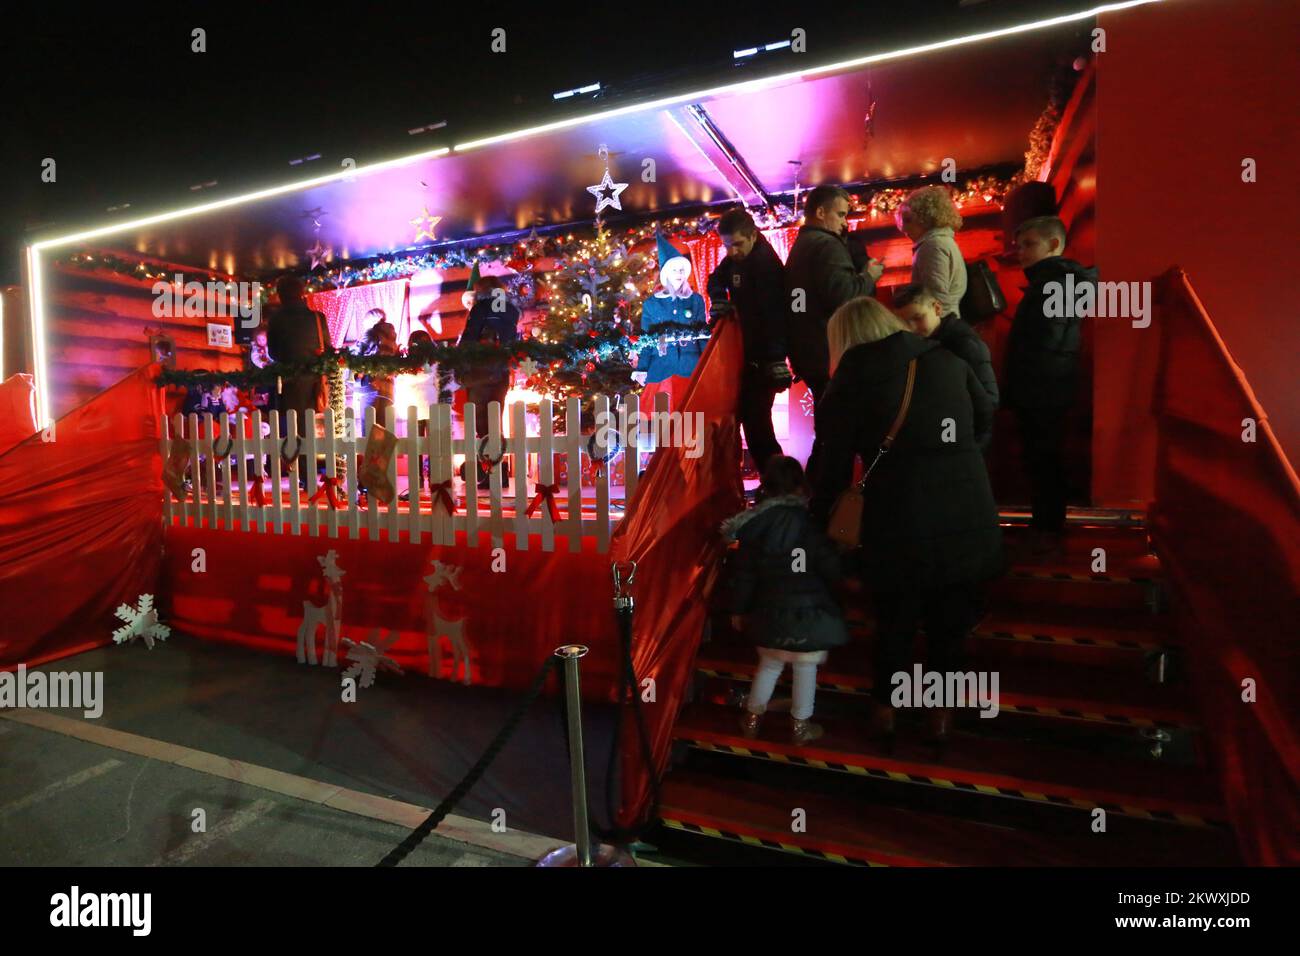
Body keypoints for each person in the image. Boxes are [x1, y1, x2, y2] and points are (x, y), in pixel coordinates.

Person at [810, 297, 1001, 744]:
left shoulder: (850, 379)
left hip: (896, 515)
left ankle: (886, 710)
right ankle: (940, 717)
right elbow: (985, 415)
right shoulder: (946, 359)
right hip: (966, 508)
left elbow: (832, 466)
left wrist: (822, 524)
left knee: (895, 618)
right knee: (950, 623)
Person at [722, 455, 848, 744]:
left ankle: (752, 720)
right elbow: (829, 567)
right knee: (806, 668)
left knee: (768, 666)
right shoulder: (810, 523)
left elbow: (745, 575)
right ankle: (800, 727)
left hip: (770, 610)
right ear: (799, 487)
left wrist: (739, 610)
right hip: (809, 613)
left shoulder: (756, 528)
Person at [1003, 215, 1098, 553]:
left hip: (1043, 387)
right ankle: (1046, 527)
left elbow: (1046, 341)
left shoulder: (1054, 282)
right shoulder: (1059, 280)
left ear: (1054, 244)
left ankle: (1047, 528)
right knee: (1044, 459)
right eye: (1019, 246)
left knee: (1043, 460)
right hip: (1048, 386)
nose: (1021, 252)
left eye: (1029, 244)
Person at [706, 209, 790, 472]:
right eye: (727, 246)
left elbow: (776, 316)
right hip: (746, 356)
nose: (731, 252)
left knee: (758, 428)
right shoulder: (738, 259)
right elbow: (716, 278)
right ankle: (774, 484)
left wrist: (777, 359)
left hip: (762, 360)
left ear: (753, 236)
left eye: (737, 244)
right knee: (753, 425)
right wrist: (720, 299)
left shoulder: (766, 266)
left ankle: (779, 486)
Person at [784, 185, 884, 406]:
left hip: (811, 355)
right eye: (840, 214)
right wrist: (869, 276)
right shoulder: (827, 244)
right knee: (842, 426)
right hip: (832, 353)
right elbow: (845, 297)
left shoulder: (802, 245)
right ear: (820, 213)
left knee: (828, 424)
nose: (844, 222)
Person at [892, 283, 998, 448]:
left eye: (918, 318)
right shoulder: (922, 344)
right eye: (904, 322)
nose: (911, 328)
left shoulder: (964, 345)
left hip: (964, 440)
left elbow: (988, 402)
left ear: (937, 308)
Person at [265, 275, 331, 486]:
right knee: (315, 429)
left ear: (281, 295)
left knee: (294, 430)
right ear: (302, 293)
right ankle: (325, 471)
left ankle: (303, 475)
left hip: (290, 383)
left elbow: (273, 352)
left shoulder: (276, 319)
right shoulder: (317, 318)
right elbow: (327, 350)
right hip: (315, 383)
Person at [634, 233, 707, 405]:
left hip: (690, 367)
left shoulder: (695, 300)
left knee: (692, 418)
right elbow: (647, 341)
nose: (679, 274)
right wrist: (643, 368)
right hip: (662, 368)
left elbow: (703, 336)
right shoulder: (652, 304)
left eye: (681, 270)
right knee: (664, 421)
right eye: (674, 270)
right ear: (666, 273)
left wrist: (707, 363)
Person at [457, 274, 519, 447]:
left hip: (479, 371)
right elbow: (512, 341)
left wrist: (458, 361)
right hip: (501, 372)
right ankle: (499, 466)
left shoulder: (481, 308)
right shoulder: (511, 311)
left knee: (480, 421)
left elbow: (470, 337)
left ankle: (485, 464)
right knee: (496, 417)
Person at [896, 185, 967, 319]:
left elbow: (936, 300)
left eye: (908, 220)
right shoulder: (941, 242)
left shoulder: (932, 246)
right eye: (902, 221)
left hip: (940, 327)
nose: (903, 228)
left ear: (926, 217)